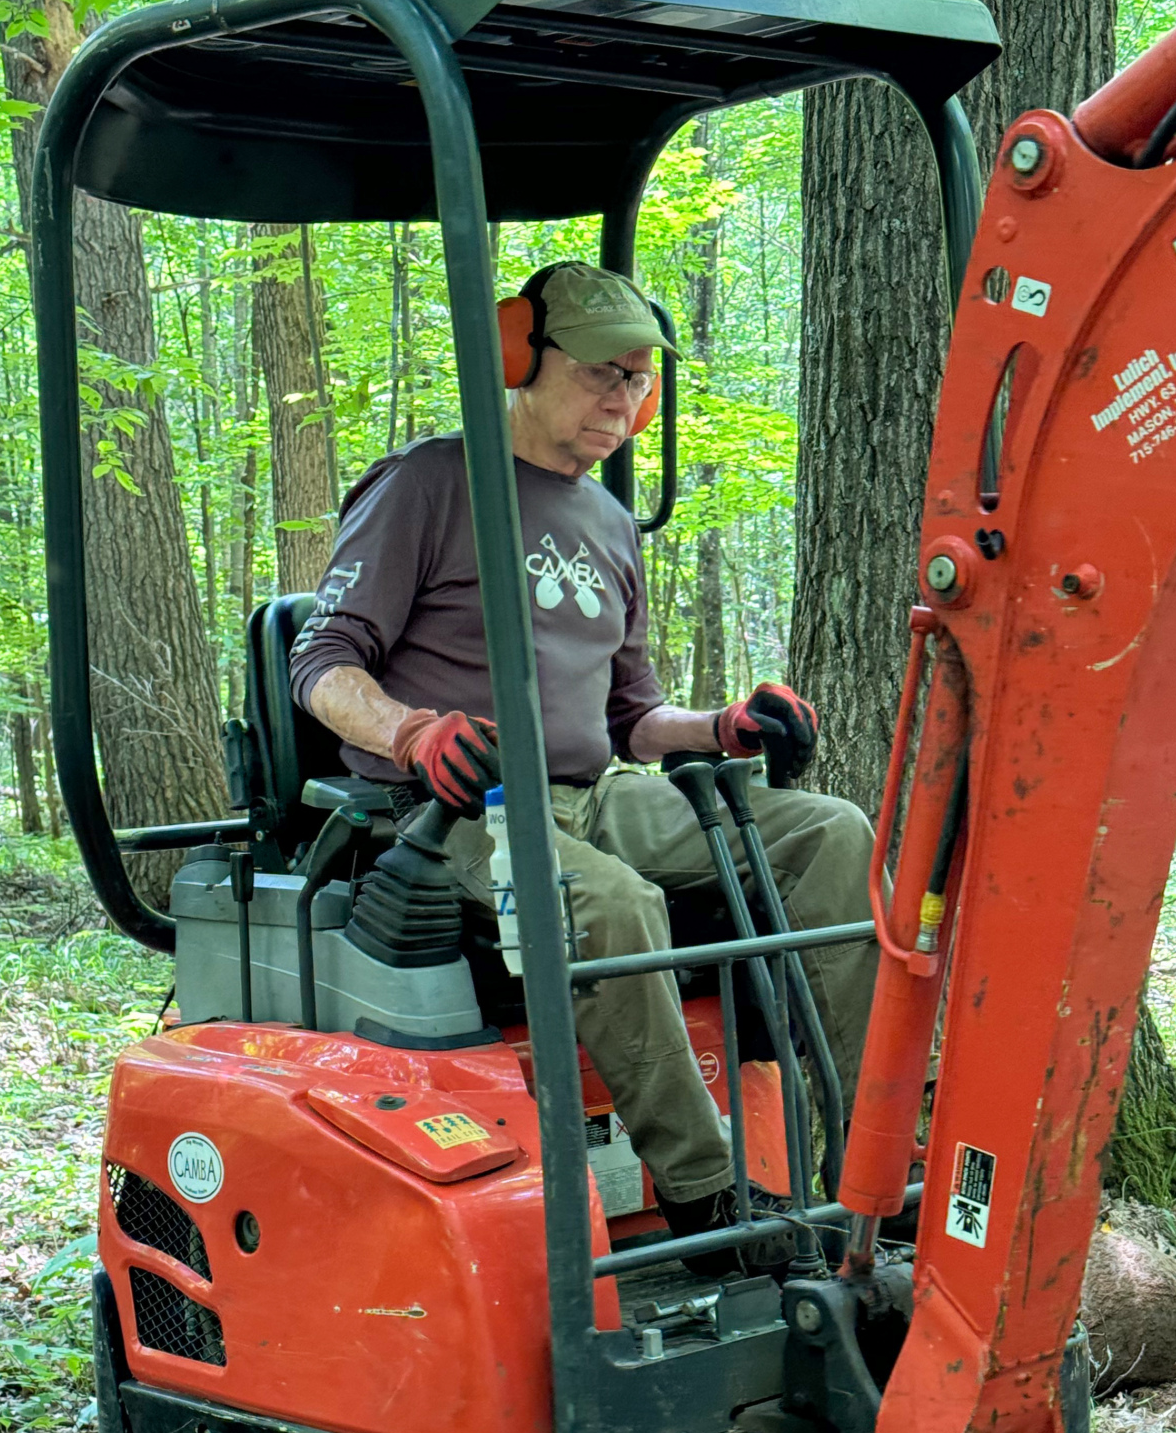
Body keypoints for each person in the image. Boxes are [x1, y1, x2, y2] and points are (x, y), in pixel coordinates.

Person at [289, 260, 878, 1274]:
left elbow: (633, 718)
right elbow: (322, 661)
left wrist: (725, 727)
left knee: (833, 833)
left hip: (595, 792)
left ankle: (868, 1161)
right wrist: (415, 733)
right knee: (611, 902)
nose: (623, 398)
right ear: (522, 356)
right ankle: (706, 1196)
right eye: (603, 372)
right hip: (450, 811)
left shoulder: (608, 521)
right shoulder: (428, 484)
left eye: (639, 380)